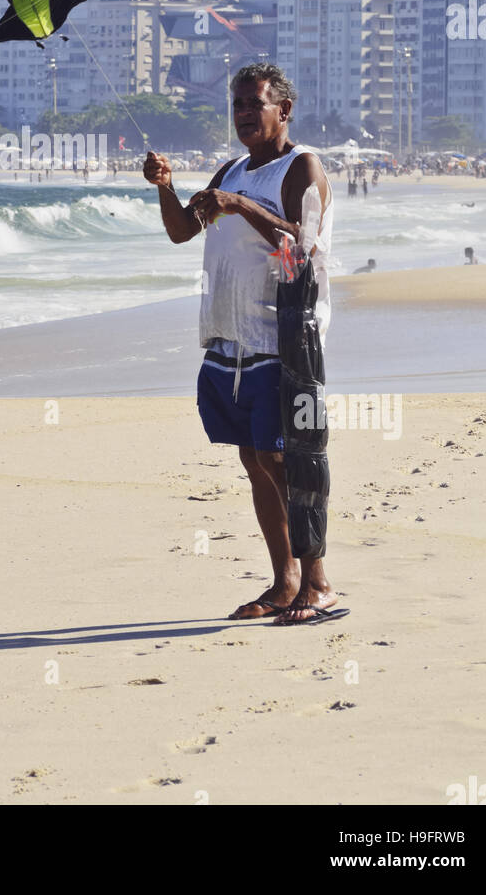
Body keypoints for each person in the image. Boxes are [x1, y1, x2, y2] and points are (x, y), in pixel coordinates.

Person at [144, 62, 344, 626]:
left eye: (255, 103)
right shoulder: (230, 168)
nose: (243, 114)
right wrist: (167, 189)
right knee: (255, 460)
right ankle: (284, 583)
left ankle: (319, 583)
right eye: (236, 104)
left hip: (283, 342)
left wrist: (238, 205)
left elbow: (299, 249)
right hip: (227, 341)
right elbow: (184, 230)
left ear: (284, 110)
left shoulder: (301, 167)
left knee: (289, 462)